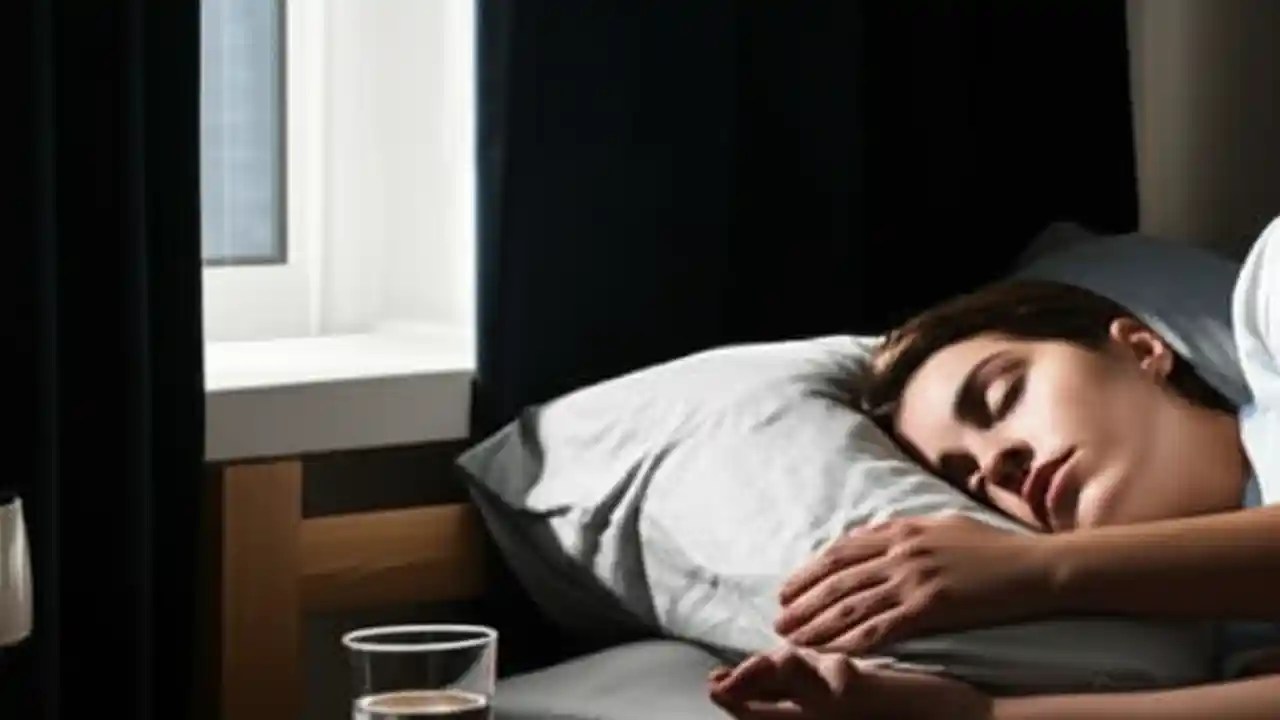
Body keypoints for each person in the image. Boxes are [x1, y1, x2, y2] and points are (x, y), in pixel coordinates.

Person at [708, 215, 1280, 720]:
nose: (995, 463)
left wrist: (1036, 569)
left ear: (1139, 347)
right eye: (966, 483)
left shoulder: (1269, 296)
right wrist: (975, 712)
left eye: (1003, 396)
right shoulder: (1229, 650)